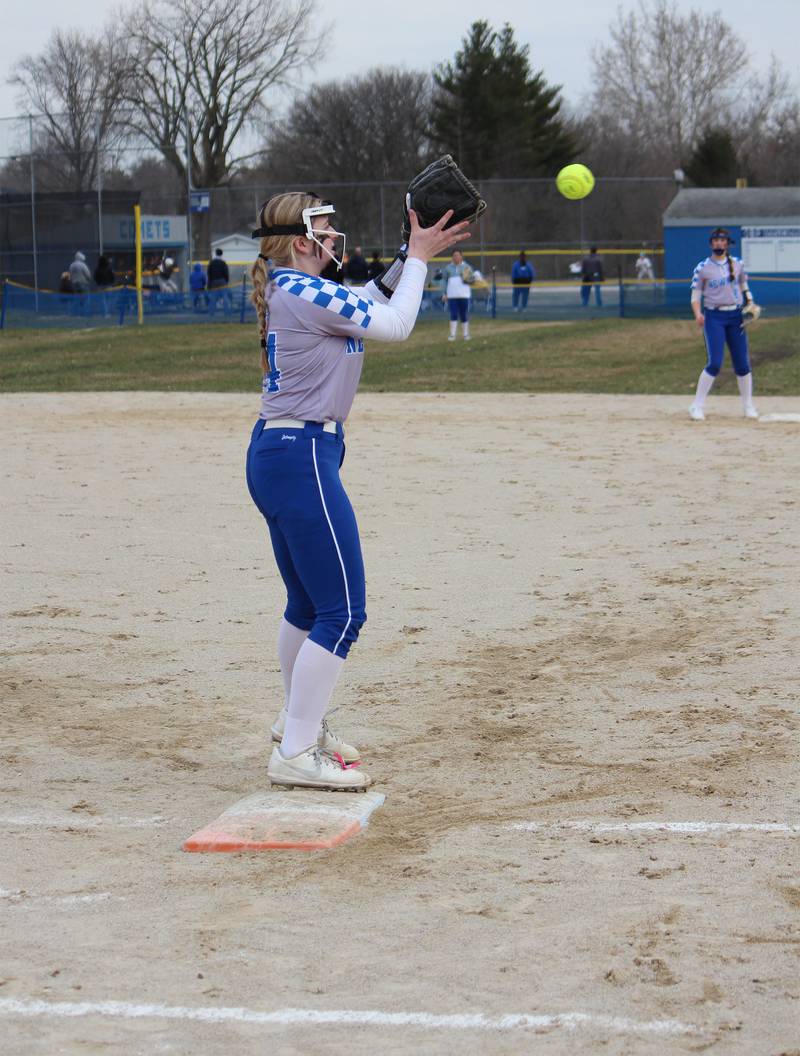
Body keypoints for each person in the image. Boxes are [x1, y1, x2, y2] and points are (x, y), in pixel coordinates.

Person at [247, 191, 470, 791]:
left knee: (308, 606)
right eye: (323, 226)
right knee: (344, 611)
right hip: (300, 458)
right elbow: (395, 324)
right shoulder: (299, 288)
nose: (333, 234)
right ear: (300, 241)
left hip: (286, 453)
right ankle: (295, 750)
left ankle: (298, 725)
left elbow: (371, 300)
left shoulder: (301, 290)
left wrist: (411, 253)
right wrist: (419, 259)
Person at [688, 227, 758, 421]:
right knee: (715, 362)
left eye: (722, 240)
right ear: (711, 244)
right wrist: (697, 314)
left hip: (735, 316)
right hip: (714, 317)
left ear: (727, 243)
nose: (719, 243)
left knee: (742, 364)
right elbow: (695, 296)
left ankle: (748, 406)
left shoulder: (737, 264)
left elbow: (744, 286)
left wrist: (750, 302)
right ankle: (697, 405)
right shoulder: (702, 268)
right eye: (716, 240)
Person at [440, 249, 476, 340]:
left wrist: (467, 279)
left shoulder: (467, 267)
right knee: (453, 314)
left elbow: (472, 280)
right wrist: (444, 293)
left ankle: (465, 334)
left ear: (461, 256)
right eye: (454, 255)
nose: (456, 257)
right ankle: (452, 335)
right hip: (452, 296)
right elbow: (444, 281)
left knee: (464, 314)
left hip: (464, 295)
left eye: (457, 255)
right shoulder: (448, 268)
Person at [208, 248, 231, 313]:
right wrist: (226, 282)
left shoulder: (212, 262)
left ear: (216, 253)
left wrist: (209, 283)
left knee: (213, 297)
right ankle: (227, 312)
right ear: (221, 254)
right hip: (222, 281)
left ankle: (212, 312)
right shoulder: (223, 262)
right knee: (224, 297)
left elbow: (209, 273)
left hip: (214, 281)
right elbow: (226, 273)